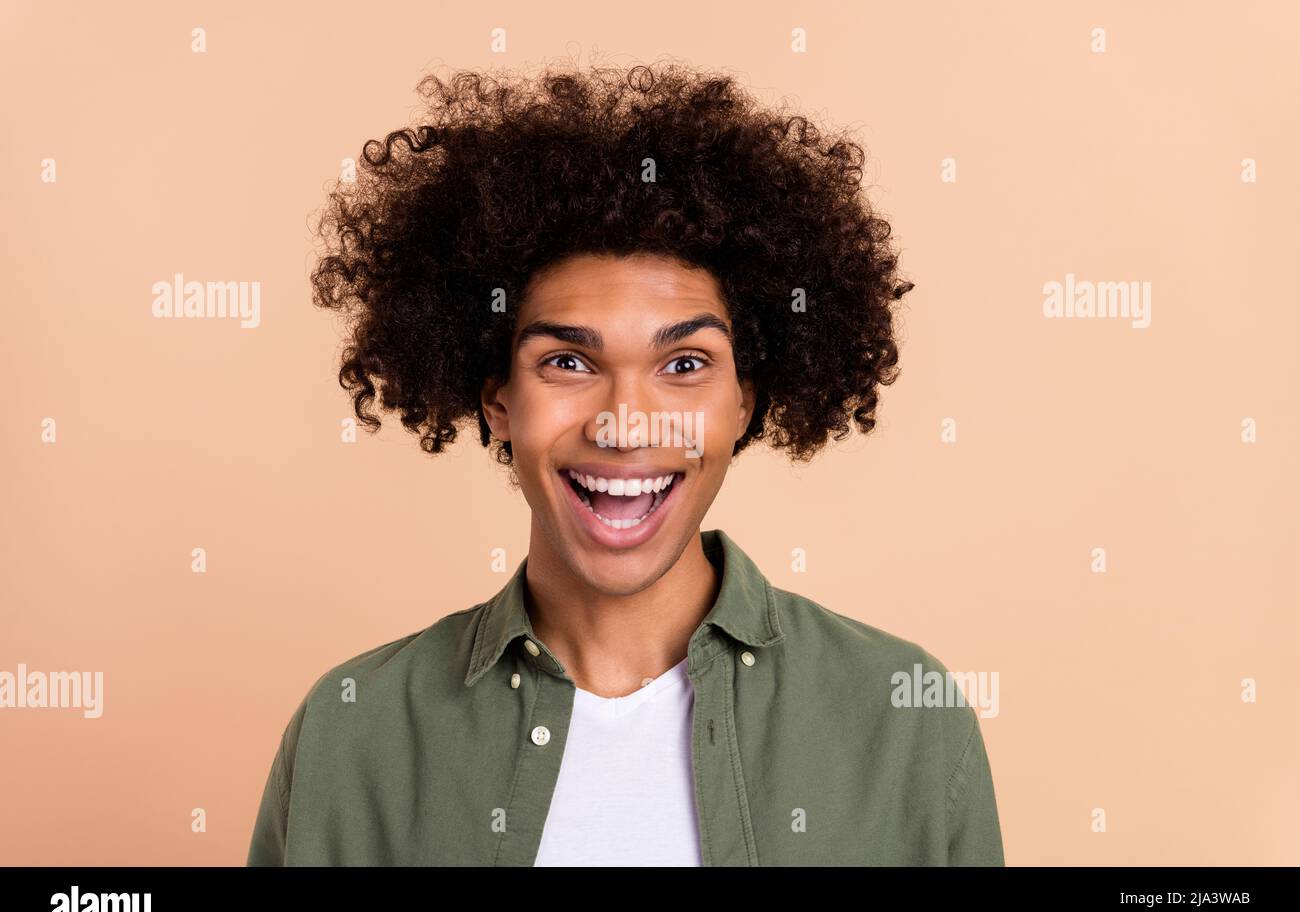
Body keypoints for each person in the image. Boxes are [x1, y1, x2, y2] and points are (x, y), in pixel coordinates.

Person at [246, 59, 1004, 866]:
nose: (623, 423)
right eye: (567, 363)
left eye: (684, 365)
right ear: (498, 400)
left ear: (745, 401)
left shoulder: (901, 717)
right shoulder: (353, 729)